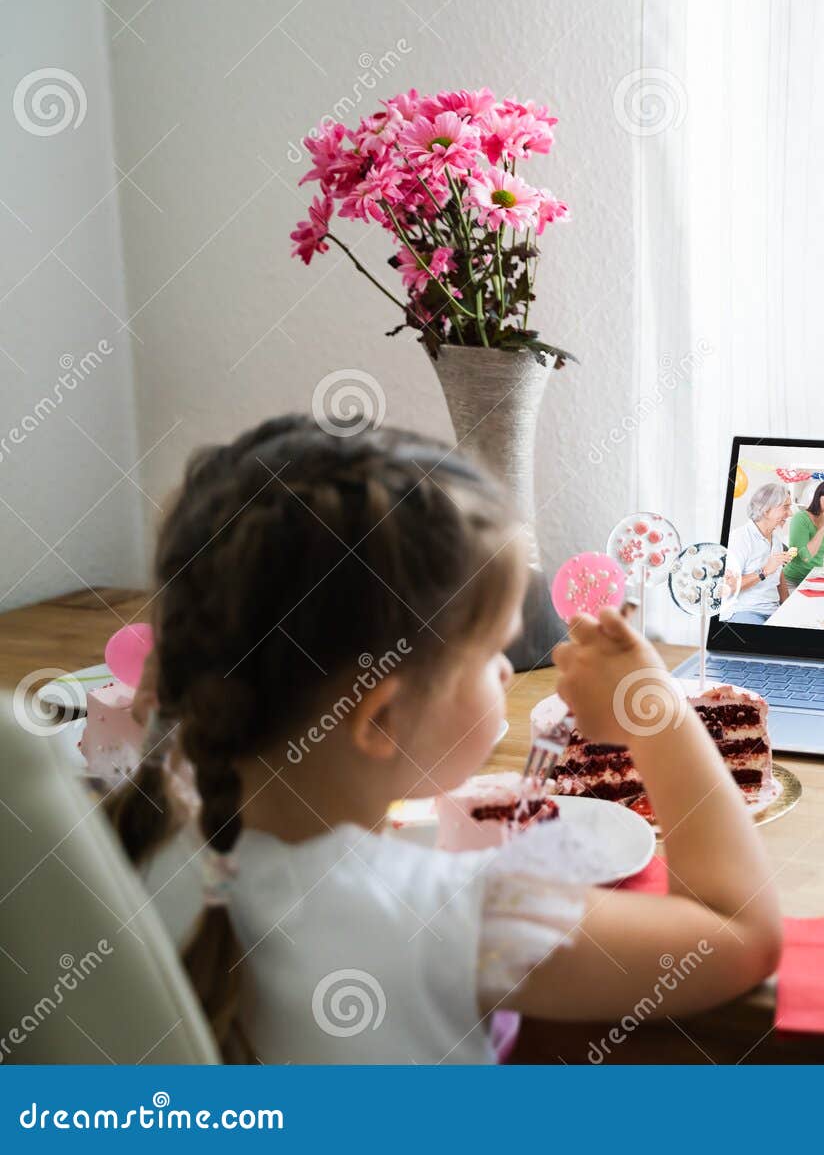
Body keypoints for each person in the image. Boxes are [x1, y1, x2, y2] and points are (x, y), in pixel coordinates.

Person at [110, 416, 782, 1063]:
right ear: (380, 721)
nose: (504, 670)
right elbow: (739, 933)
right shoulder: (454, 912)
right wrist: (654, 706)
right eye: (493, 653)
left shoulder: (139, 830)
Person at [723, 482, 795, 623]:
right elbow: (728, 586)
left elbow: (779, 578)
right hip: (745, 611)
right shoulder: (740, 538)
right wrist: (764, 571)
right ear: (766, 510)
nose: (790, 513)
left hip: (773, 610)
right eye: (785, 507)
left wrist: (788, 609)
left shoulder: (776, 540)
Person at [782, 479, 824, 585]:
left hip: (814, 580)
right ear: (818, 497)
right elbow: (805, 557)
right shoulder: (801, 518)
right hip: (792, 581)